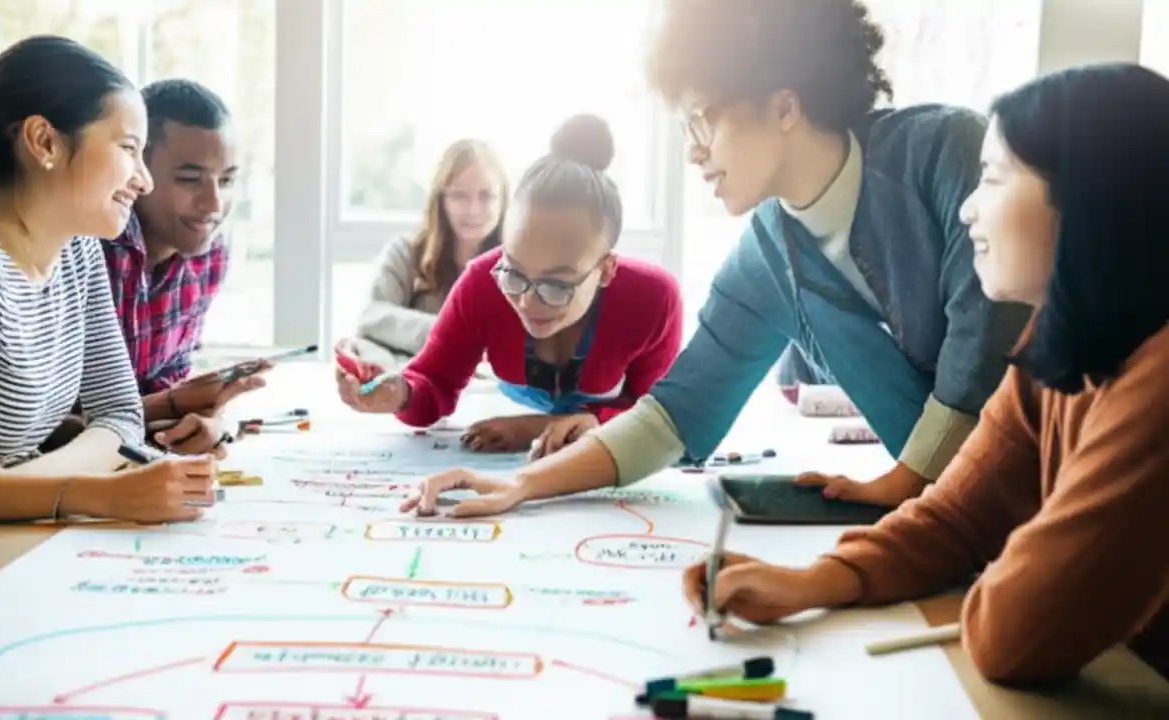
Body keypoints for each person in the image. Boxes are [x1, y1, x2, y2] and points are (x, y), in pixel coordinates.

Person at [401, 0, 1030, 517]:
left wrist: (905, 481)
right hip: (956, 526)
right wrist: (524, 486)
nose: (695, 153)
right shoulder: (764, 254)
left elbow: (986, 337)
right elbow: (674, 415)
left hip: (1059, 485)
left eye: (705, 121)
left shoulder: (950, 152)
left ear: (785, 105)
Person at [680, 63, 1169, 685]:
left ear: (1089, 197)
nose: (967, 210)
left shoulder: (1158, 380)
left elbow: (1012, 637)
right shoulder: (1058, 342)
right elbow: (956, 517)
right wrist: (815, 581)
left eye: (991, 178)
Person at [0, 35, 214, 526]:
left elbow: (121, 415)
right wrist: (93, 493)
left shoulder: (78, 253)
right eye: (128, 149)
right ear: (44, 142)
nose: (144, 180)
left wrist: (58, 486)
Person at [337, 115, 682, 459]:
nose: (527, 301)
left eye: (556, 285)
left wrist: (532, 428)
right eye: (514, 273)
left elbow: (660, 421)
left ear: (606, 270)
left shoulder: (652, 300)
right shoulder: (482, 281)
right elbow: (432, 383)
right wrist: (400, 393)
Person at [101, 78, 264, 457]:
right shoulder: (94, 250)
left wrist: (207, 421)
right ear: (137, 172)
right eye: (190, 180)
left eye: (226, 181)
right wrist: (175, 404)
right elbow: (57, 419)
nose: (214, 204)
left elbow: (165, 383)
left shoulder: (209, 253)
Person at [345, 139, 507, 370]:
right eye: (460, 196)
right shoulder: (405, 252)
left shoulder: (522, 264)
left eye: (486, 196)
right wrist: (453, 334)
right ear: (441, 201)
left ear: (503, 201)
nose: (473, 209)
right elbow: (371, 318)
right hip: (415, 389)